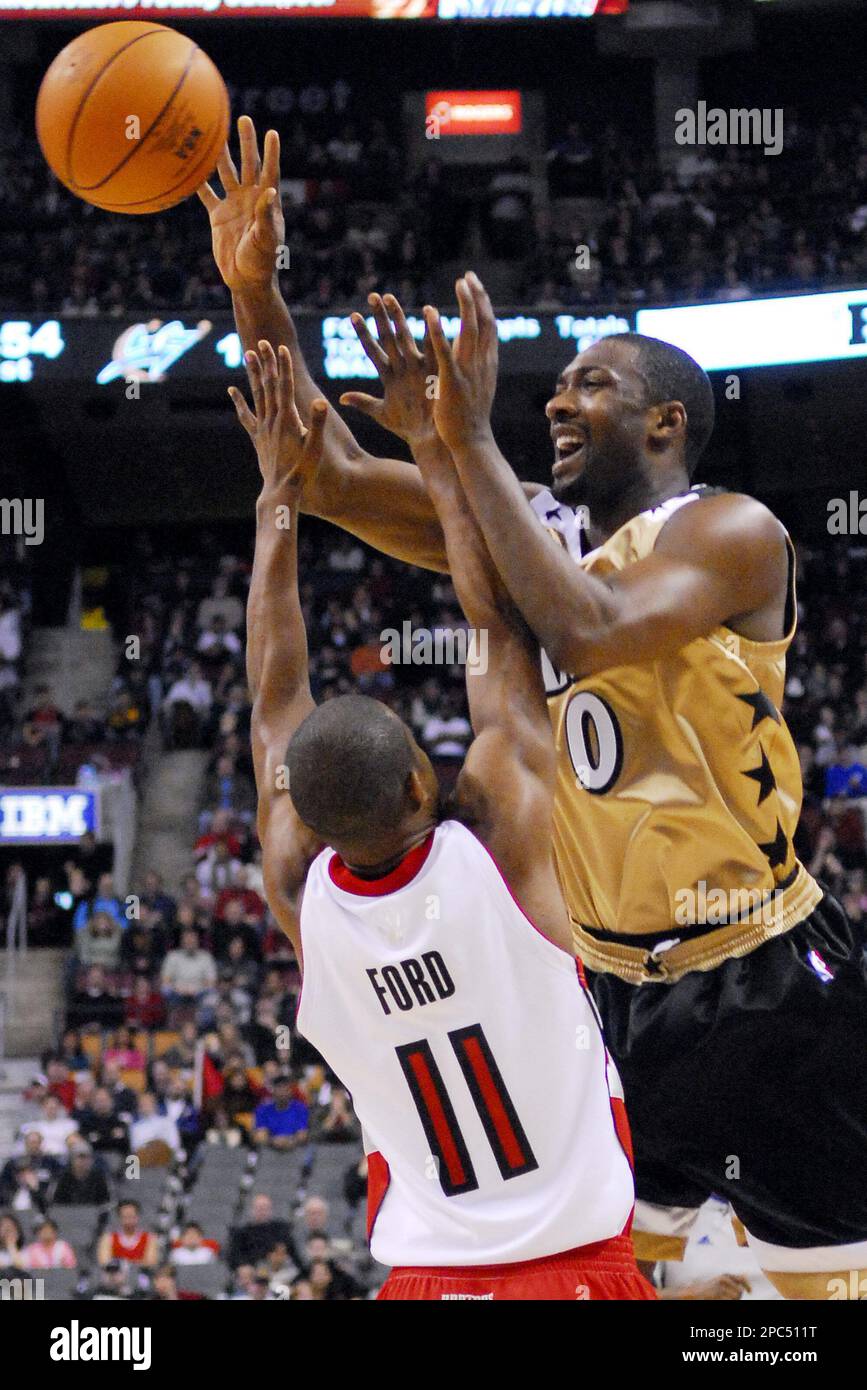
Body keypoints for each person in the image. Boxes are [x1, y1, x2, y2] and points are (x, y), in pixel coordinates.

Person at [199, 124, 867, 1298]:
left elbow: (590, 630)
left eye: (590, 384)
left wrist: (460, 447)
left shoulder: (729, 530)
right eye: (554, 384)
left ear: (666, 422)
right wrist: (257, 288)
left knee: (825, 1290)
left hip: (760, 971)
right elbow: (323, 471)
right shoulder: (532, 540)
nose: (555, 401)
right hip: (612, 991)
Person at [224, 331, 650, 1302]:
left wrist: (275, 503)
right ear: (423, 783)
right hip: (574, 1269)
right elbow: (496, 621)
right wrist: (438, 444)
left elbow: (270, 696)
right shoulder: (500, 836)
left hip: (421, 1276)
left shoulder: (299, 890)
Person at [96, 1200, 158, 1269]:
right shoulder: (108, 1238)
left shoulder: (149, 1238)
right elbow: (104, 1262)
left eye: (131, 1216)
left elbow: (151, 1262)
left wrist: (124, 1264)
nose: (128, 1220)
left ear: (137, 1217)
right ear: (119, 1218)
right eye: (125, 1217)